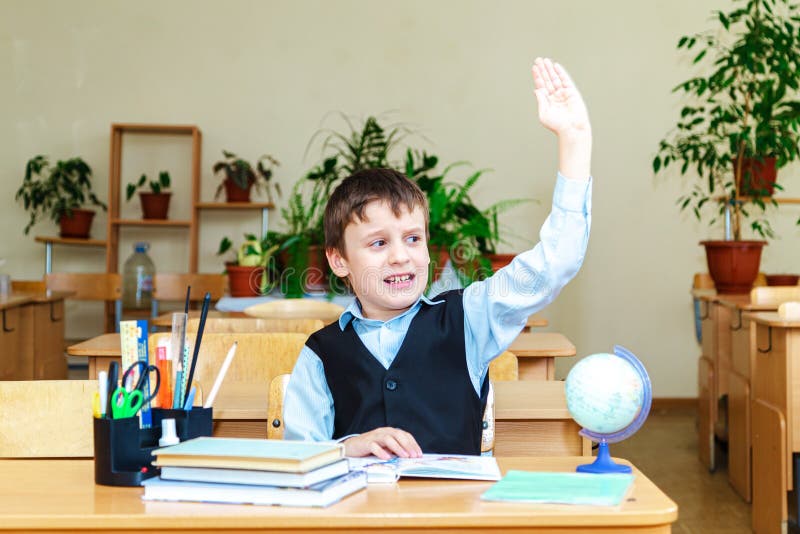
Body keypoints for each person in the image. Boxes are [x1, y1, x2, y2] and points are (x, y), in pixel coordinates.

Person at [284, 57, 592, 459]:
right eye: (378, 244)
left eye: (413, 238)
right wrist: (347, 448)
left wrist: (575, 140)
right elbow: (298, 461)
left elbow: (556, 263)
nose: (400, 256)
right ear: (339, 260)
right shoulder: (319, 353)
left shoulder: (470, 318)